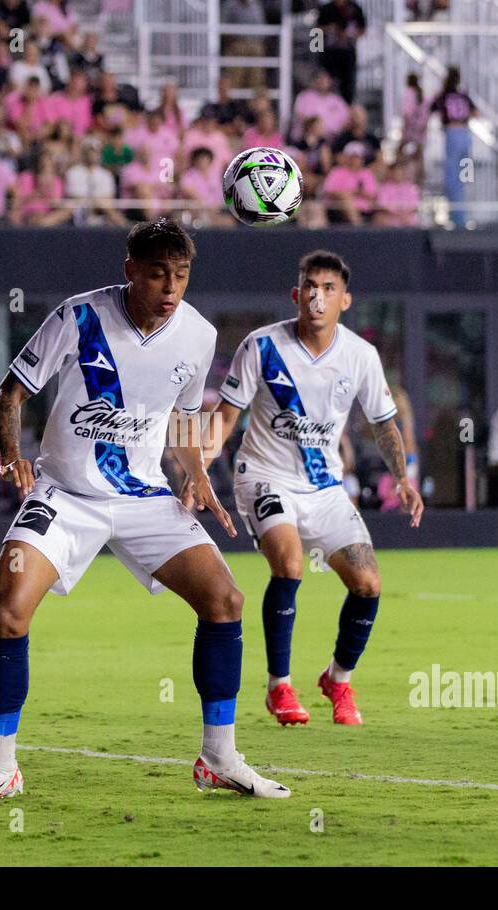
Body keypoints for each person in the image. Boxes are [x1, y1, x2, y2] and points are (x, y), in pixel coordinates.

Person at [0, 219, 289, 801]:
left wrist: (197, 472)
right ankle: (2, 766)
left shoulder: (198, 335)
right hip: (65, 494)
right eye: (158, 273)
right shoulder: (77, 316)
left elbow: (184, 417)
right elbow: (10, 394)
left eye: (181, 275)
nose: (169, 288)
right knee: (8, 613)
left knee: (225, 601)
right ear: (130, 269)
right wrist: (13, 459)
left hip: (143, 497)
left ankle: (220, 757)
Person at [201, 250, 423, 727]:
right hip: (264, 474)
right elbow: (223, 420)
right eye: (310, 287)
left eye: (328, 289)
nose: (317, 297)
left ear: (345, 299)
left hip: (324, 487)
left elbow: (383, 423)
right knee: (290, 562)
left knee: (368, 583)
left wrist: (402, 479)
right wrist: (197, 471)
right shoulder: (261, 346)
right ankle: (279, 687)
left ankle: (337, 679)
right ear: (296, 294)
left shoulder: (360, 356)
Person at [430, 66, 477, 229]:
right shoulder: (463, 95)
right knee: (465, 175)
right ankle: (464, 216)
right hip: (466, 134)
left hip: (453, 133)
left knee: (452, 179)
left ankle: (457, 219)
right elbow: (475, 112)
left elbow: (431, 108)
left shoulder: (444, 95)